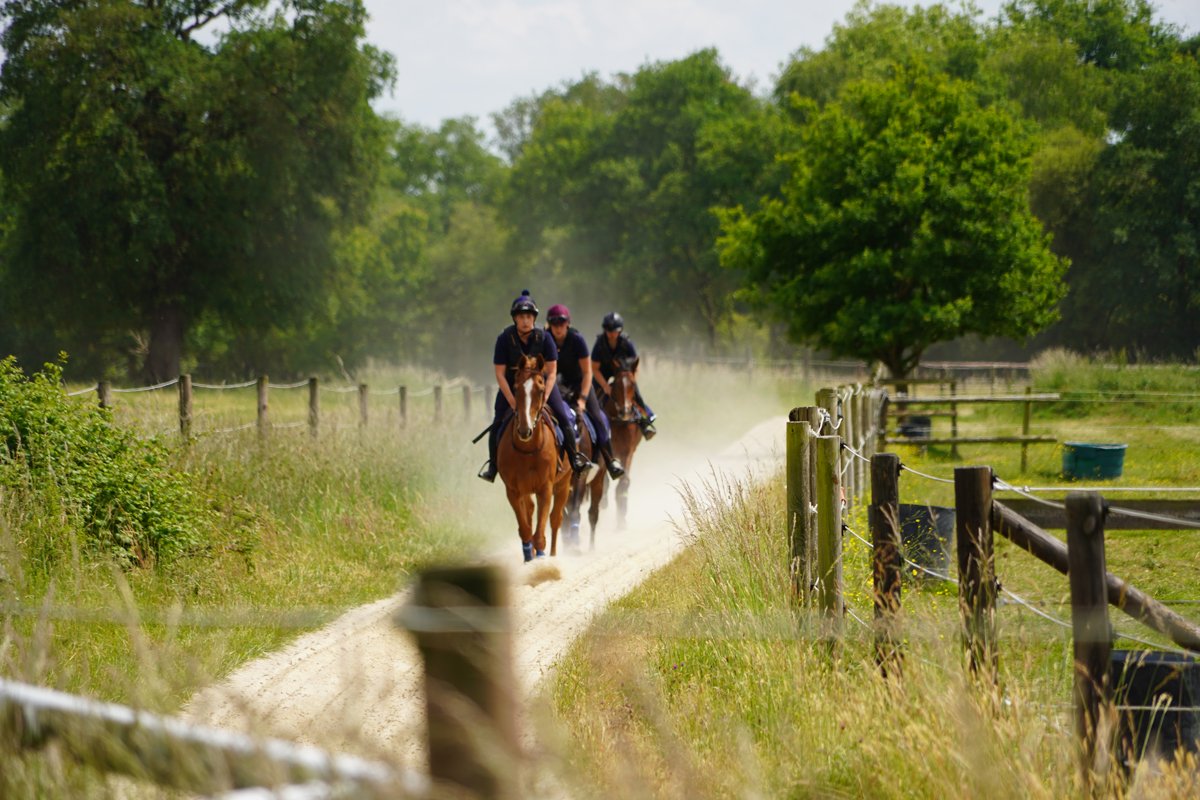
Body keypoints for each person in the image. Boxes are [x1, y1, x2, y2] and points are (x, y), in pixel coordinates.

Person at [478, 290, 595, 483]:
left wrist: (544, 398)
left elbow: (551, 371)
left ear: (534, 318)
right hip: (513, 389)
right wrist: (512, 401)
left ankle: (574, 459)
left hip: (541, 388)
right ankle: (493, 466)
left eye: (529, 316)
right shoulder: (504, 339)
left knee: (564, 417)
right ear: (515, 318)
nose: (526, 320)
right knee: (498, 422)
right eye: (521, 316)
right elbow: (499, 373)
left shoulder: (545, 338)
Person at [545, 303, 626, 480]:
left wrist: (582, 398)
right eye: (554, 324)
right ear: (549, 324)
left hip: (579, 384)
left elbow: (588, 372)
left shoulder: (577, 340)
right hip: (555, 387)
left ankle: (610, 460)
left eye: (562, 323)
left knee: (598, 416)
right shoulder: (545, 339)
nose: (558, 328)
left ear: (568, 323)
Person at [590, 311, 656, 439]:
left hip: (624, 373)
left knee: (636, 396)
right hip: (603, 373)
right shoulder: (600, 344)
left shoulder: (627, 344)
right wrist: (605, 386)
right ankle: (591, 426)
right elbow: (594, 368)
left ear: (620, 331)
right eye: (608, 330)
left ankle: (645, 422)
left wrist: (632, 382)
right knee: (593, 398)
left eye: (614, 330)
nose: (611, 334)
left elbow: (635, 366)